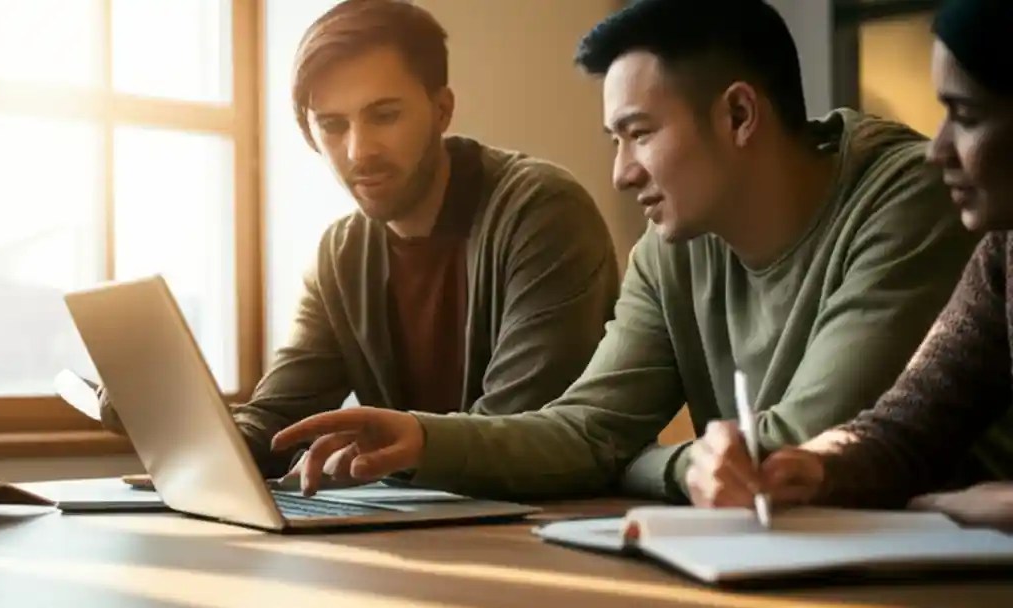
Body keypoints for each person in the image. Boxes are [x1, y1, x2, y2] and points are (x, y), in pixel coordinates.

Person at [270, 0, 991, 501]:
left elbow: (805, 445)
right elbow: (587, 434)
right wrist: (419, 439)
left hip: (959, 594)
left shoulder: (910, 195)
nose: (620, 172)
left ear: (740, 114)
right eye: (614, 141)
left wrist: (647, 465)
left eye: (640, 133)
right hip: (785, 567)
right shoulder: (671, 243)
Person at [101, 0, 619, 480]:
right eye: (331, 125)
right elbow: (277, 420)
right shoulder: (340, 255)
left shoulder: (543, 212)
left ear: (441, 110)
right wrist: (175, 420)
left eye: (385, 115)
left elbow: (523, 427)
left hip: (539, 527)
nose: (358, 150)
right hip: (422, 530)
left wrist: (384, 454)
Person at [684, 0, 1013, 530]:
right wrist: (811, 468)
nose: (938, 149)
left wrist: (986, 504)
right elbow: (907, 429)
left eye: (967, 117)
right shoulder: (1004, 255)